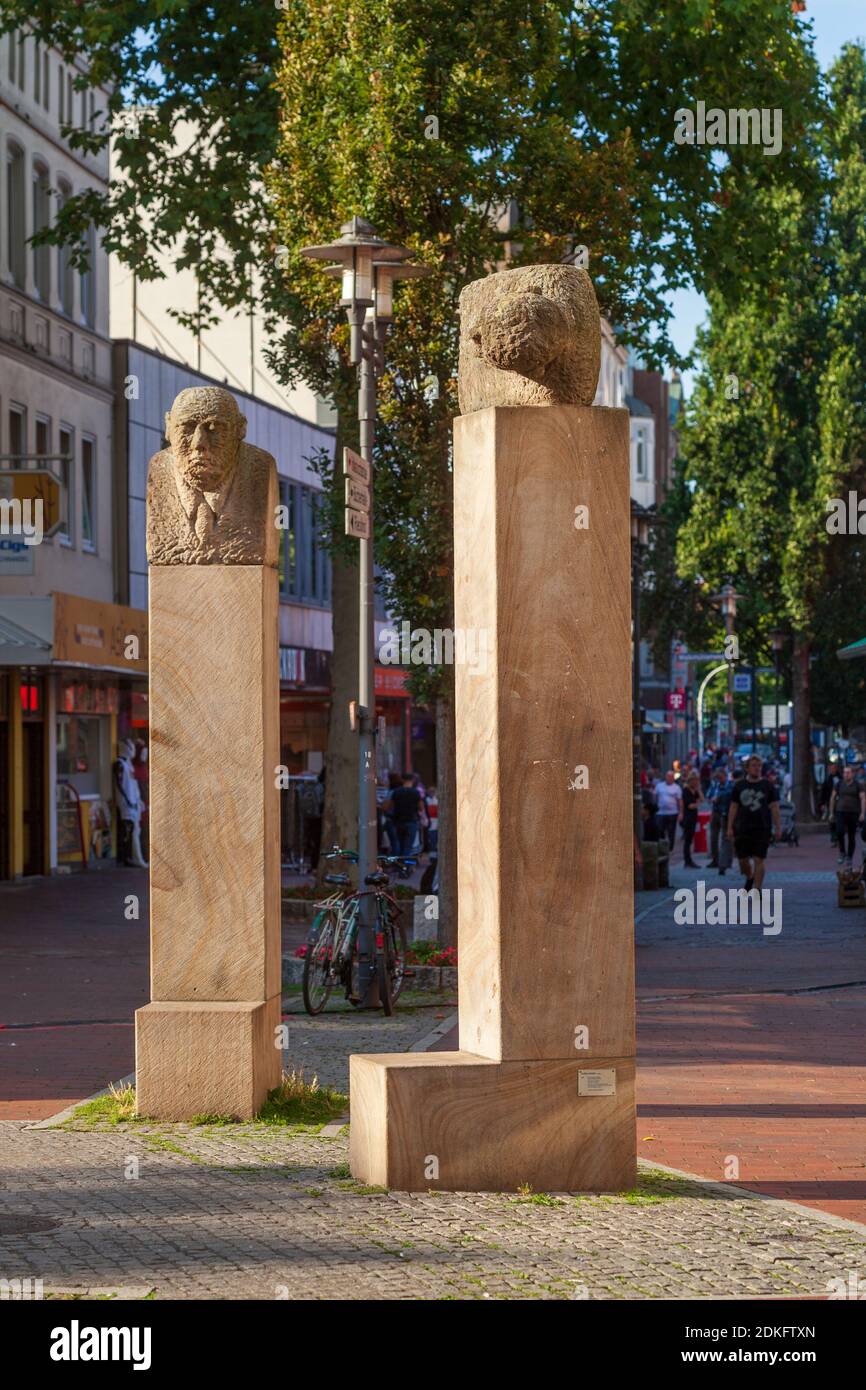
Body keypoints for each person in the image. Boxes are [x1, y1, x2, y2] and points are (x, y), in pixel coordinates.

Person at [726, 753, 781, 892]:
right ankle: (750, 876)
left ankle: (757, 889)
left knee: (759, 859)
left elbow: (774, 807)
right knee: (743, 860)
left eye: (759, 766)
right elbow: (733, 806)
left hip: (762, 827)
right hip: (743, 827)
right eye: (754, 766)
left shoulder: (767, 786)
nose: (757, 768)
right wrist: (729, 827)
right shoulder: (740, 785)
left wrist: (778, 827)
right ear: (747, 768)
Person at [113, 739, 146, 868]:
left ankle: (134, 857)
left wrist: (138, 800)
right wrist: (127, 800)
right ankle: (130, 858)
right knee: (129, 832)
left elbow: (133, 784)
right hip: (126, 805)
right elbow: (120, 785)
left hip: (133, 804)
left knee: (134, 831)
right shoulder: (120, 764)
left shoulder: (129, 765)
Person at [829, 764, 866, 870]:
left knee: (851, 836)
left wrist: (862, 813)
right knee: (839, 831)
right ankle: (842, 852)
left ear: (852, 774)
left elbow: (863, 798)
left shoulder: (858, 785)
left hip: (853, 812)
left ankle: (849, 857)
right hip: (840, 811)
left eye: (848, 772)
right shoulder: (839, 784)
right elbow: (832, 797)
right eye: (845, 772)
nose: (846, 774)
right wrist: (831, 812)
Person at [383, 771, 423, 857]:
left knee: (400, 845)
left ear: (402, 779)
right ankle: (405, 867)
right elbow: (421, 808)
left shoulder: (396, 792)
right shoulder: (416, 792)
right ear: (413, 780)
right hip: (412, 821)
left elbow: (388, 807)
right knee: (408, 847)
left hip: (398, 821)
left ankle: (400, 866)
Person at [706, 765, 729, 867]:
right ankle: (715, 859)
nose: (719, 780)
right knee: (713, 837)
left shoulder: (729, 785)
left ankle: (725, 861)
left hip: (724, 813)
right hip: (715, 812)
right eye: (717, 778)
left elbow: (729, 794)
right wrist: (711, 798)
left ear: (725, 776)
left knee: (725, 838)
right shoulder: (715, 785)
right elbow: (709, 795)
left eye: (720, 778)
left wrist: (719, 797)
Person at [655, 770, 683, 852]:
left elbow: (680, 801)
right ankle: (662, 847)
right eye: (668, 776)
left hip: (672, 813)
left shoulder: (677, 788)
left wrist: (681, 812)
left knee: (671, 832)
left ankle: (670, 848)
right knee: (660, 830)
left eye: (671, 777)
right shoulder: (659, 786)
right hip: (661, 813)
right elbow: (655, 797)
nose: (669, 778)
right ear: (666, 777)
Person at [681, 770, 702, 867]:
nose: (696, 782)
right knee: (687, 840)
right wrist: (697, 804)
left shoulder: (694, 791)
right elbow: (690, 806)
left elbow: (702, 798)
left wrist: (698, 790)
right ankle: (687, 860)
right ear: (690, 781)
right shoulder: (686, 791)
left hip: (693, 817)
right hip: (688, 818)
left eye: (697, 781)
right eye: (694, 781)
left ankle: (689, 860)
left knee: (690, 840)